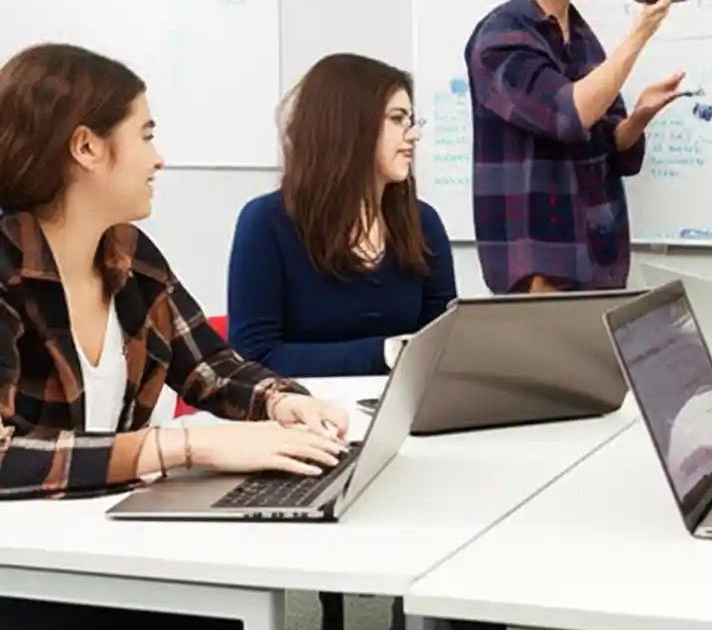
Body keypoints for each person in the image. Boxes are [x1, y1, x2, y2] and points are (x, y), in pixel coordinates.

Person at [0, 44, 348, 629]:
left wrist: (285, 402)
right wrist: (183, 448)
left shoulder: (130, 257)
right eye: (145, 135)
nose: (158, 159)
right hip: (26, 572)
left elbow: (211, 367)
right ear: (85, 147)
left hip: (111, 542)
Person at [466, 0, 689, 294]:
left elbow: (610, 146)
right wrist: (639, 34)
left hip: (600, 265)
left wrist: (639, 117)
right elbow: (567, 115)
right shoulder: (500, 40)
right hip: (540, 275)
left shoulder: (583, 38)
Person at [228, 53, 456, 378]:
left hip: (400, 416)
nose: (414, 135)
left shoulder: (423, 222)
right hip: (299, 417)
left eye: (411, 119)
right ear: (349, 126)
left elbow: (442, 345)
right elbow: (255, 356)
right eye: (397, 119)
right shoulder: (266, 222)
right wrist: (384, 352)